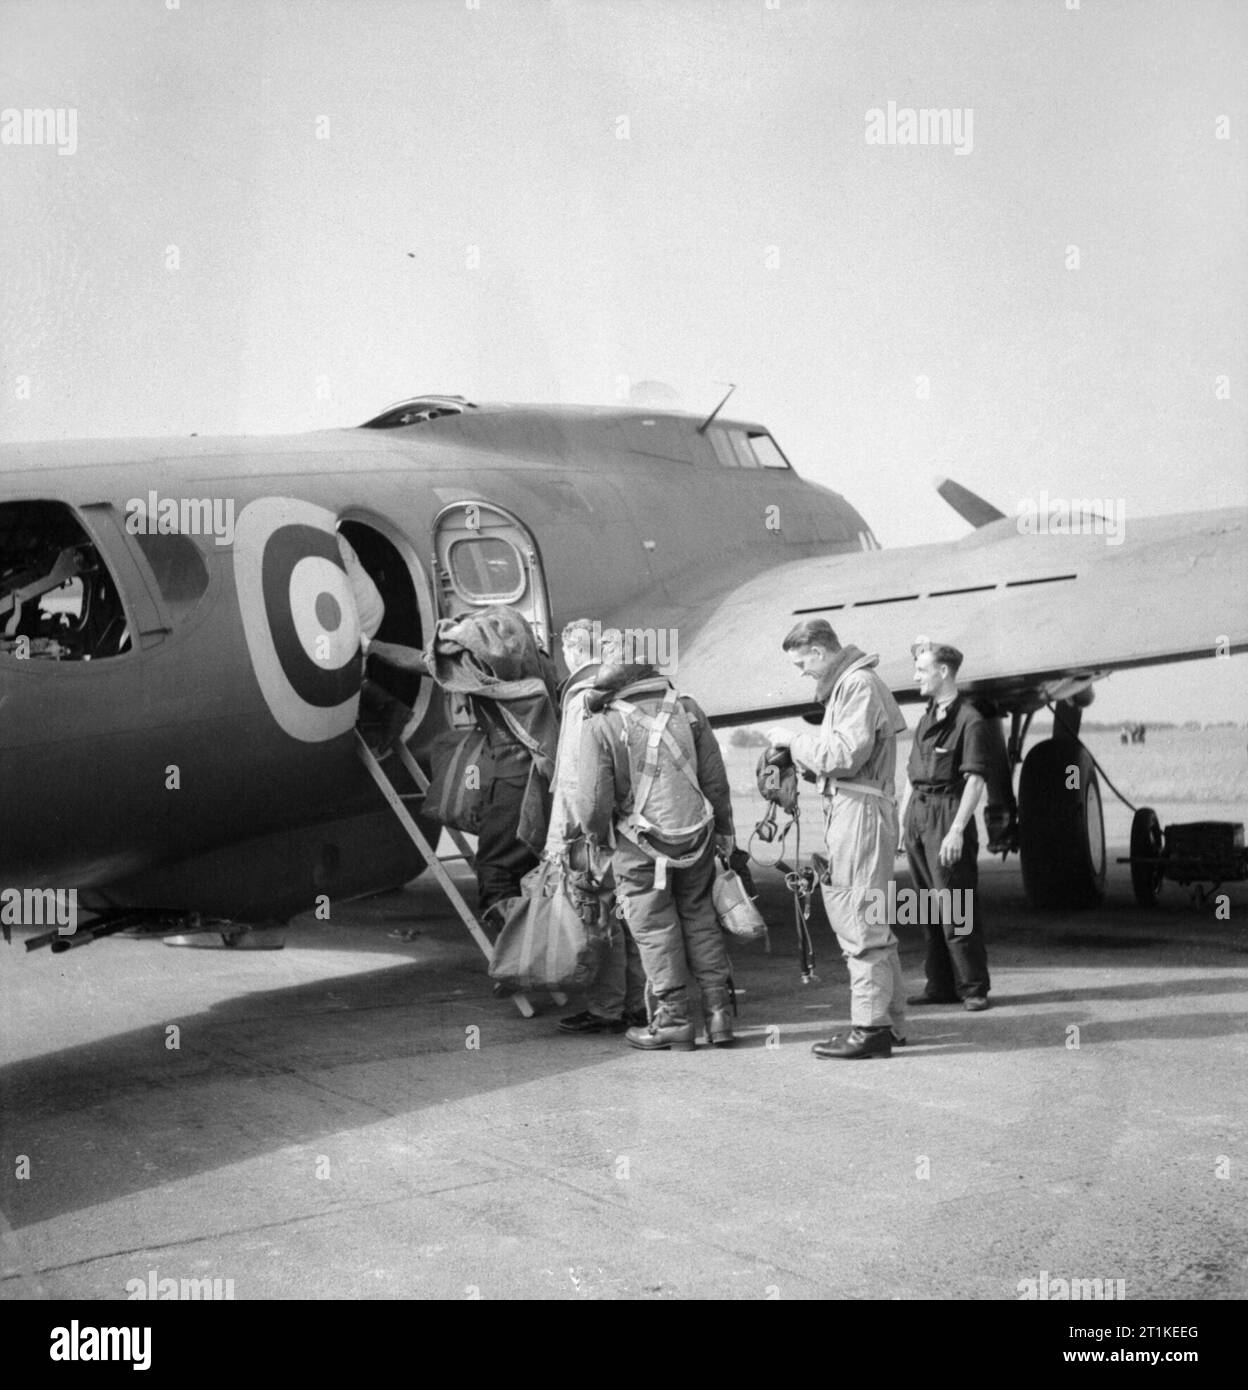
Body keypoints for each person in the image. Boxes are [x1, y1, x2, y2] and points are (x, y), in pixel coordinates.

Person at [575, 660, 736, 1052]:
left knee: (653, 929)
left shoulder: (603, 724)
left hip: (638, 845)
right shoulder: (689, 710)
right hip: (697, 837)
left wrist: (598, 839)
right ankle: (720, 1017)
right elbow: (715, 780)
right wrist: (726, 831)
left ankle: (674, 1022)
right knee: (700, 918)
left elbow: (593, 801)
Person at [767, 619, 908, 1060]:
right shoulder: (850, 685)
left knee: (861, 920)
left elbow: (845, 755)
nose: (802, 673)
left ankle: (870, 1030)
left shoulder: (858, 685)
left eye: (802, 662)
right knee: (870, 918)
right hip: (854, 809)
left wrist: (794, 742)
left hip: (860, 813)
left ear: (820, 651)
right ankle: (889, 1024)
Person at [371, 606, 559, 926]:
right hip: (540, 773)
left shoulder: (484, 672)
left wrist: (369, 647)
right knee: (523, 863)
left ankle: (520, 952)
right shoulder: (537, 664)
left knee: (495, 871)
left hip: (513, 778)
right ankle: (532, 945)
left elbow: (421, 662)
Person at [547, 620, 648, 1036]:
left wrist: (561, 838)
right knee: (630, 915)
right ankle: (640, 1004)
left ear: (571, 651)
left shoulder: (580, 699)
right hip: (631, 824)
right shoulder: (625, 690)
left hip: (591, 828)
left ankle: (607, 1008)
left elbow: (574, 775)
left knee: (600, 916)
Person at [900, 641, 992, 1010]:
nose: (915, 677)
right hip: (919, 816)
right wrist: (902, 822)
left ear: (942, 672)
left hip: (947, 814)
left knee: (956, 906)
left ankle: (973, 989)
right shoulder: (926, 718)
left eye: (921, 670)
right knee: (926, 907)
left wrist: (956, 830)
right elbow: (911, 776)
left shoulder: (970, 720)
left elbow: (975, 780)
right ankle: (939, 985)